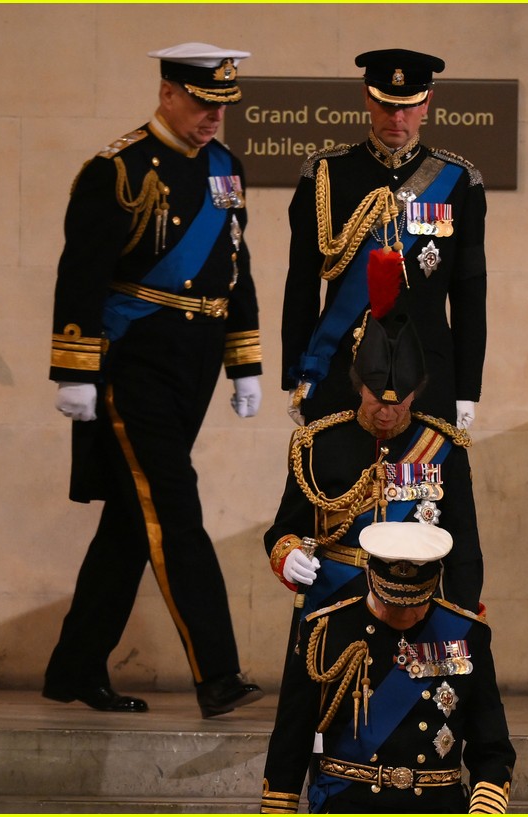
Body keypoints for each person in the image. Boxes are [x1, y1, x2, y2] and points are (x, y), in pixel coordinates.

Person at [43, 42, 263, 718]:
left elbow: (236, 266)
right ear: (168, 92)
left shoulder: (227, 168)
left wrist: (244, 361)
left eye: (222, 106)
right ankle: (217, 673)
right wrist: (75, 369)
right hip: (133, 355)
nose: (212, 118)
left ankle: (73, 666)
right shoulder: (118, 169)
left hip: (194, 357)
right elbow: (80, 273)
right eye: (201, 103)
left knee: (132, 524)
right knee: (173, 505)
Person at [281, 48, 487, 431]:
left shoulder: (459, 181)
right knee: (337, 486)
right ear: (366, 97)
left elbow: (470, 292)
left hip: (428, 369)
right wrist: (296, 373)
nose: (397, 117)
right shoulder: (325, 174)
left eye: (407, 105)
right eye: (386, 104)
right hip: (341, 365)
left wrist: (467, 388)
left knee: (419, 490)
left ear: (427, 103)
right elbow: (301, 284)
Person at [265, 300, 484, 646]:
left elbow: (464, 546)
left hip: (415, 609)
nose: (386, 413)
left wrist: (463, 617)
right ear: (359, 386)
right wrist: (288, 554)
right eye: (376, 399)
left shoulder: (444, 450)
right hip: (334, 602)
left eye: (398, 403)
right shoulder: (318, 444)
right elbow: (285, 526)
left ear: (415, 394)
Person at [260, 522, 514, 814]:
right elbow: (291, 742)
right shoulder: (324, 631)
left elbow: (492, 746)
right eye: (391, 602)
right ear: (370, 577)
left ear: (434, 584)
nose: (404, 613)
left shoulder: (466, 634)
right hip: (351, 804)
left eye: (415, 603)